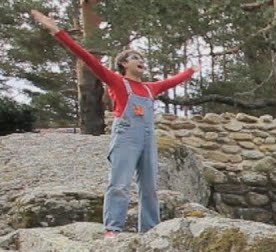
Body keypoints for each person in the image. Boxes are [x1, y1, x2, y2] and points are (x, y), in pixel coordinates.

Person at [30, 9, 197, 238]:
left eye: (142, 58)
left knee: (149, 187)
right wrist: (57, 31)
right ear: (123, 64)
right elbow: (86, 57)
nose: (141, 61)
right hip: (126, 135)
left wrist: (190, 71)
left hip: (148, 138)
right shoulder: (117, 82)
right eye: (135, 58)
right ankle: (112, 229)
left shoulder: (150, 88)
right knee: (120, 183)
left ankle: (150, 230)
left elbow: (172, 81)